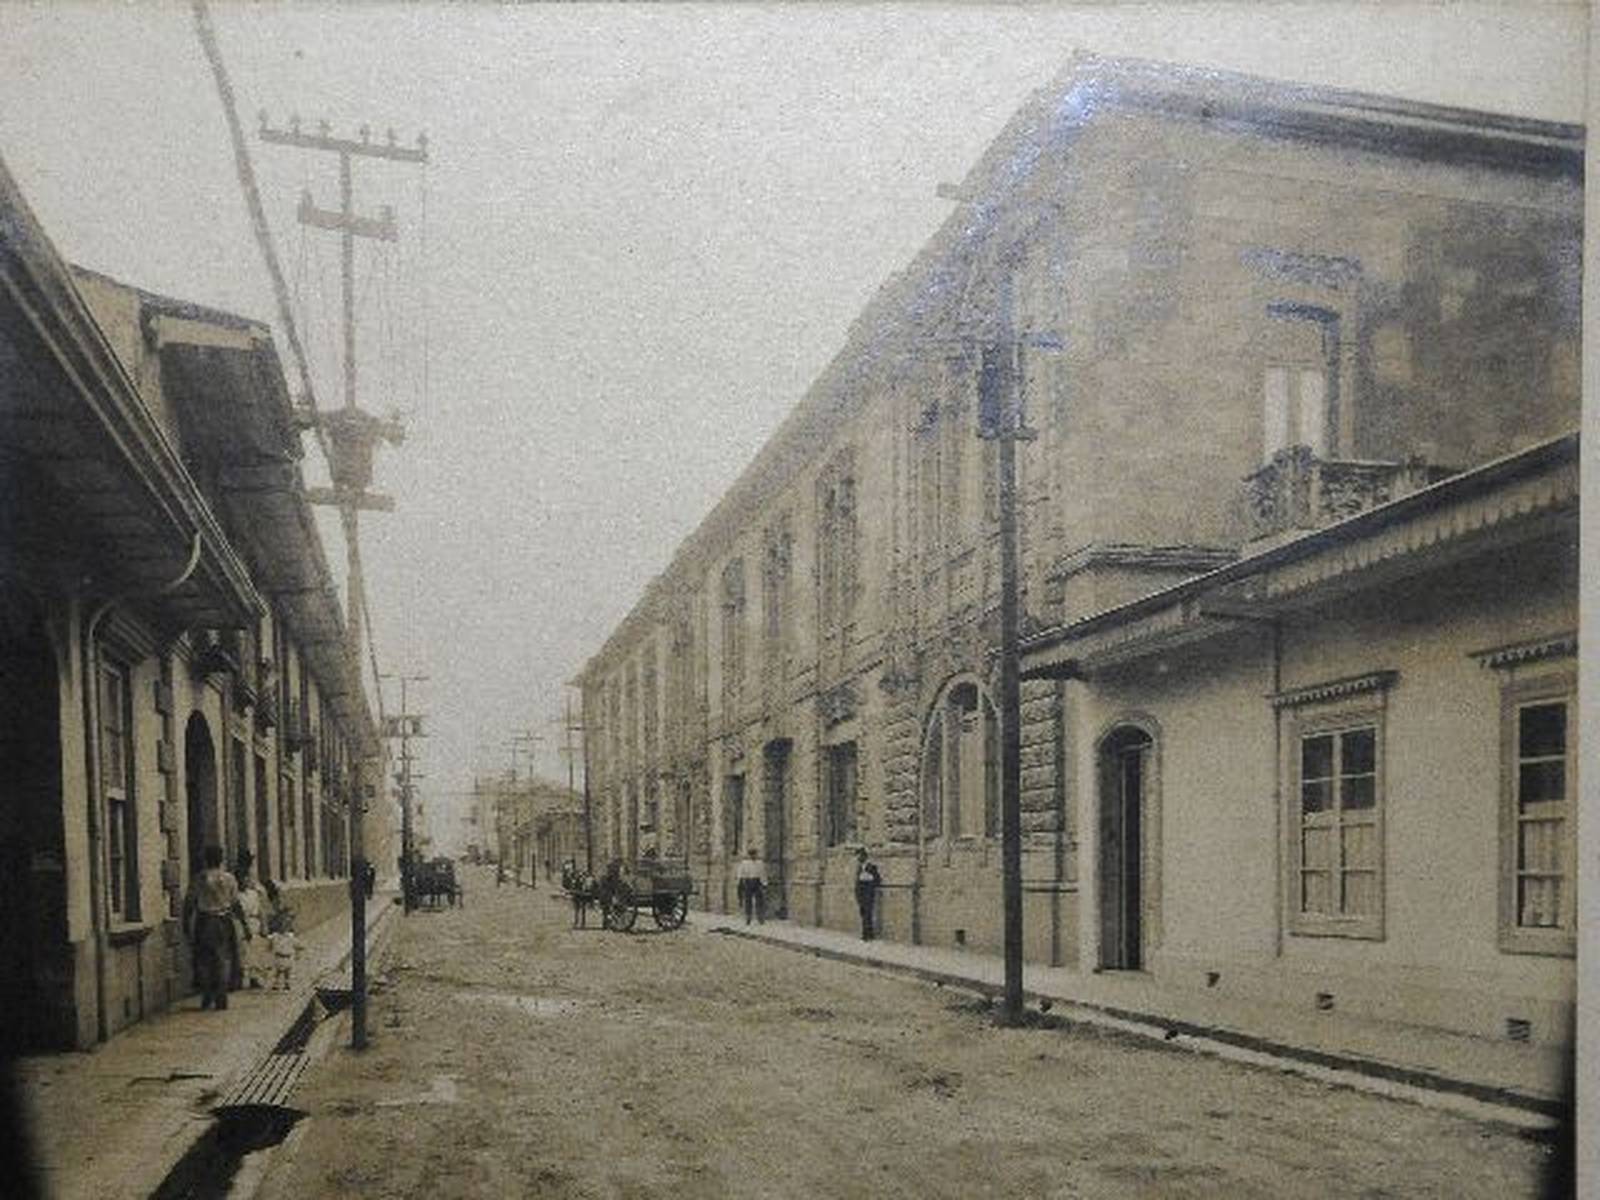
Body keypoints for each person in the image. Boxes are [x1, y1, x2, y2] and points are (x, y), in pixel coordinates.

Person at [183, 845, 247, 1011]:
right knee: (223, 958)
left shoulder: (200, 878)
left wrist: (185, 923)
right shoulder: (229, 878)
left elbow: (189, 902)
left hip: (204, 921)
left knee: (204, 959)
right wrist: (244, 925)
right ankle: (221, 996)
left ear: (206, 859)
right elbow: (236, 904)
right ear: (221, 859)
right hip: (224, 921)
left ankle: (207, 995)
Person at [236, 862, 269, 989]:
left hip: (255, 922)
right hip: (242, 923)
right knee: (244, 951)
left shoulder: (254, 893)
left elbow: (261, 910)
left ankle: (255, 978)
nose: (245, 881)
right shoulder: (237, 896)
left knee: (256, 950)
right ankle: (243, 977)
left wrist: (264, 925)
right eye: (242, 879)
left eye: (247, 878)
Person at [854, 847, 882, 941]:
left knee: (867, 914)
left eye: (860, 855)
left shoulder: (871, 867)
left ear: (864, 856)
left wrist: (870, 881)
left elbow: (878, 880)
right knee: (863, 913)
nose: (858, 858)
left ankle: (867, 934)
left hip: (868, 892)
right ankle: (868, 933)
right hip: (861, 892)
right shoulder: (859, 867)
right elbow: (857, 881)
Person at [735, 847, 765, 925]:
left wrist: (764, 883)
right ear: (749, 855)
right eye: (752, 854)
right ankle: (748, 917)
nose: (753, 856)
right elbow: (741, 873)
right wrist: (740, 882)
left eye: (754, 854)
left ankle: (760, 918)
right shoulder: (745, 863)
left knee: (759, 901)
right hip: (748, 882)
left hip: (757, 882)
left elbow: (763, 873)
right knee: (748, 901)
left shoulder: (760, 863)